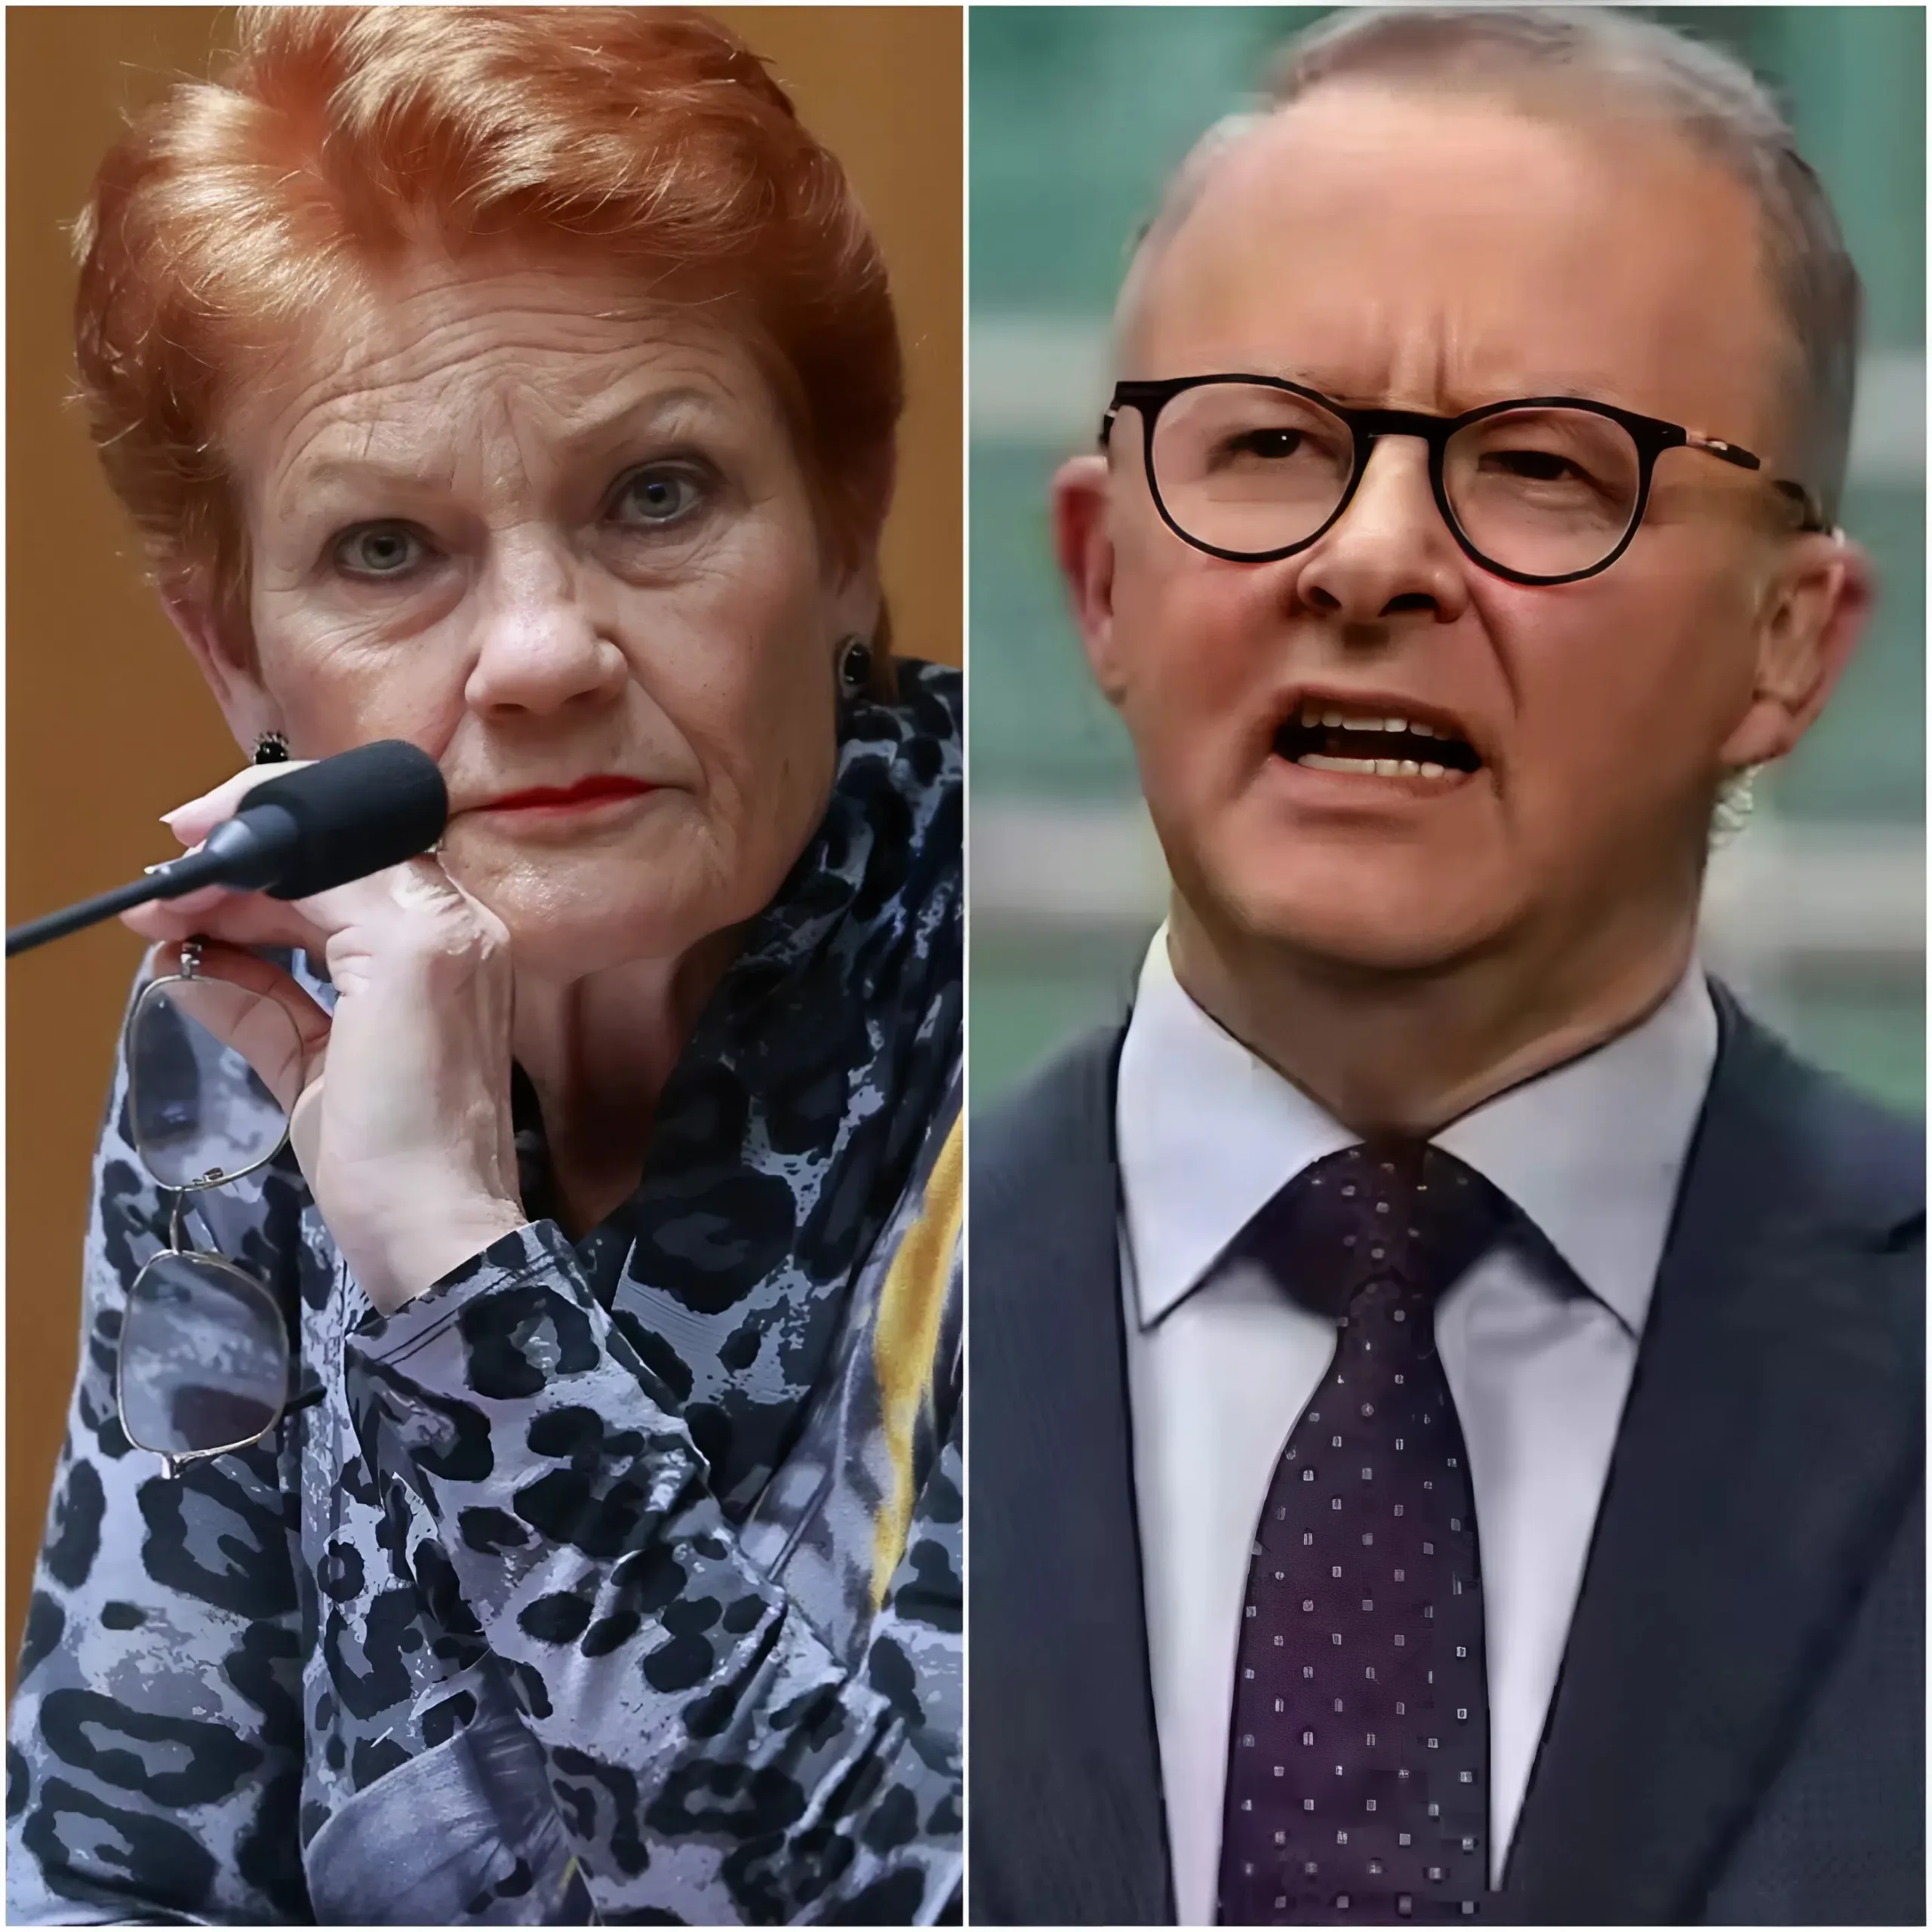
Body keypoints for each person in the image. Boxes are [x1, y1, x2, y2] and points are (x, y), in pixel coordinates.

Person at [969, 8, 1920, 1925]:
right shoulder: (737, 1378)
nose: (1371, 555)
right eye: (1265, 447)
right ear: (1098, 582)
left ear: (1786, 647)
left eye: (1543, 470)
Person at [9, 9, 961, 1924]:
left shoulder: (1068, 1051)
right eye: (384, 545)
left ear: (848, 538)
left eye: (659, 495)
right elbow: (119, 1844)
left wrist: (455, 1262)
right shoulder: (258, 1002)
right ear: (237, 659)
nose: (539, 656)